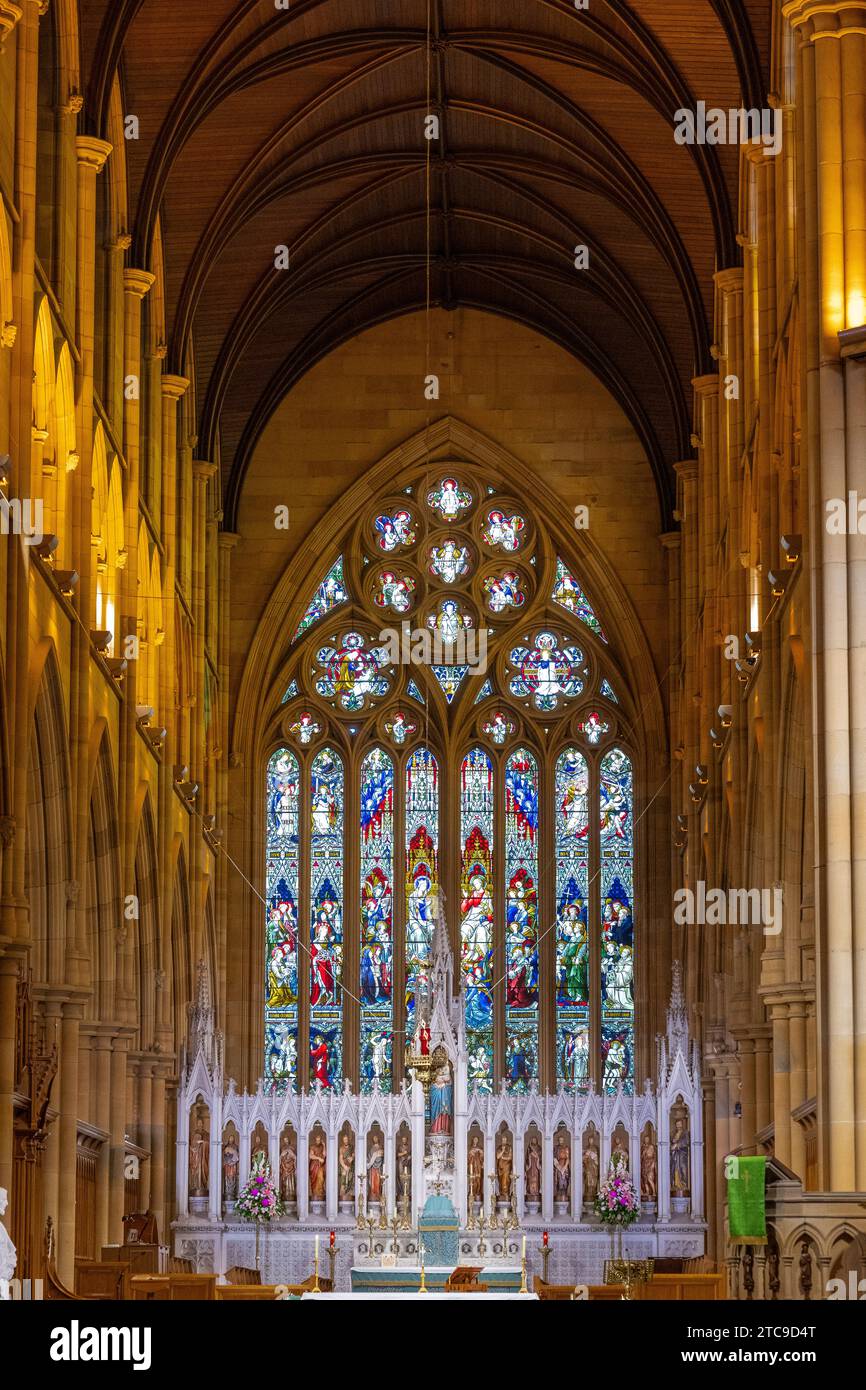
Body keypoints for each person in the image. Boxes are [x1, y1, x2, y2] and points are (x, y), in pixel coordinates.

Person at [430, 1066, 453, 1135]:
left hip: (445, 1100)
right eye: (440, 1070)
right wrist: (438, 1086)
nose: (442, 1071)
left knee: (445, 1111)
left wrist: (444, 1085)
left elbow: (450, 1084)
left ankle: (445, 1129)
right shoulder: (434, 1078)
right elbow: (432, 1086)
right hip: (436, 1101)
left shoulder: (447, 1078)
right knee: (436, 1110)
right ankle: (435, 1129)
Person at [308, 1133, 326, 1203]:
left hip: (320, 1165)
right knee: (314, 1179)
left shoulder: (322, 1146)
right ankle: (315, 1193)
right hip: (314, 1166)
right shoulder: (312, 1146)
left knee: (321, 1178)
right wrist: (318, 1158)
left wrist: (324, 1146)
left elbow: (324, 1155)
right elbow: (311, 1156)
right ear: (315, 1140)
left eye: (319, 1140)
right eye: (317, 1140)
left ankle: (320, 1193)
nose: (318, 1141)